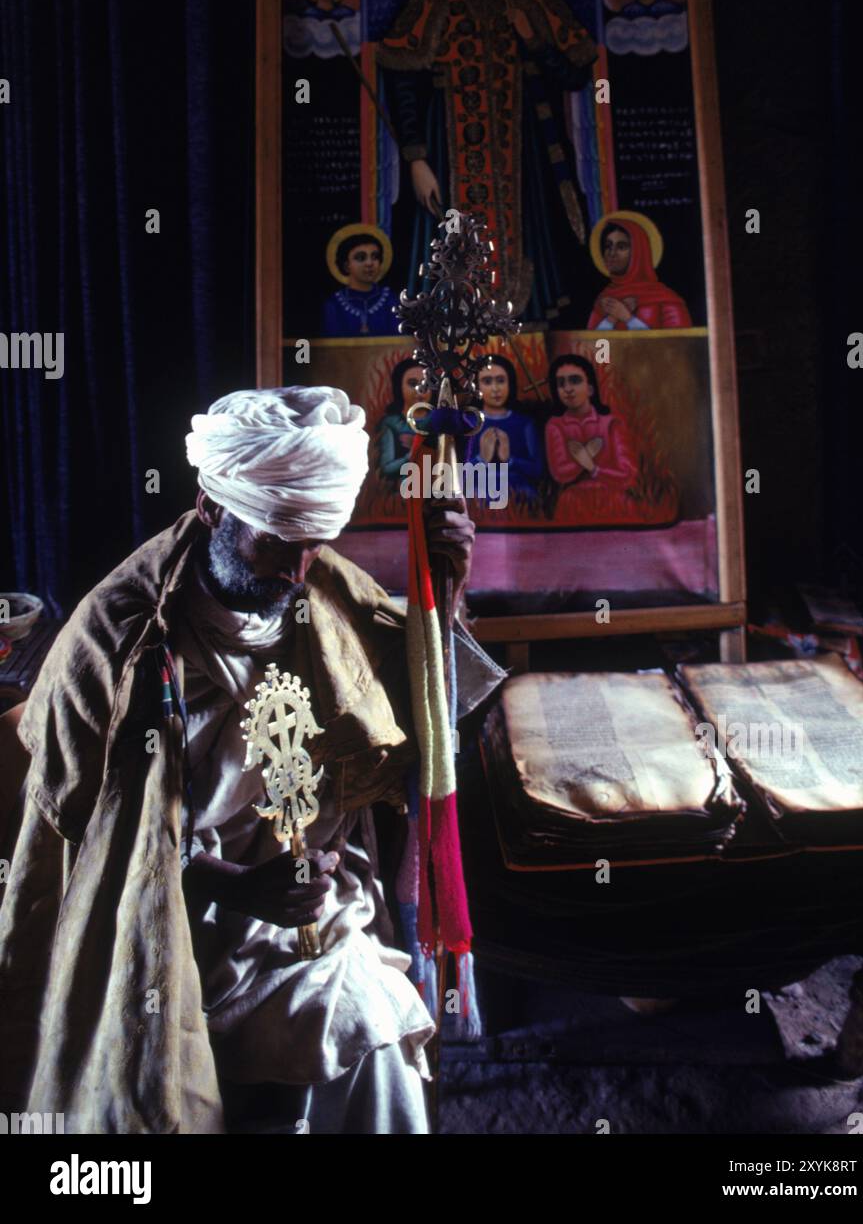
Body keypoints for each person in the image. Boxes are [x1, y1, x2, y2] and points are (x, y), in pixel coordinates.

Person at [0, 387, 503, 1134]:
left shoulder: (321, 586)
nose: (298, 572)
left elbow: (412, 708)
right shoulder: (114, 644)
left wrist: (447, 590)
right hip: (170, 925)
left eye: (312, 545)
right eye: (275, 545)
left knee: (375, 1033)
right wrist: (233, 889)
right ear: (212, 507)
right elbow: (79, 857)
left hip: (312, 916)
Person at [377, 0, 597, 322]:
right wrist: (416, 157)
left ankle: (523, 351)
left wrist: (533, 40)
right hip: (446, 143)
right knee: (445, 252)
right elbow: (402, 74)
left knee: (530, 264)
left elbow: (574, 71)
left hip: (522, 150)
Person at [544, 355, 637, 519]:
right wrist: (586, 456)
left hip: (614, 498)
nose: (568, 389)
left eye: (575, 380)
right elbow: (560, 473)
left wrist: (594, 469)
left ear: (590, 388)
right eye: (561, 384)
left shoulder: (611, 424)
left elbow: (628, 473)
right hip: (574, 501)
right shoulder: (555, 426)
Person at [587, 218, 692, 331]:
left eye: (621, 247)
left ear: (639, 253)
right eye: (608, 246)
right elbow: (593, 345)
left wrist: (628, 318)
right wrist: (612, 318)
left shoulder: (665, 299)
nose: (612, 253)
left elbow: (677, 344)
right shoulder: (604, 299)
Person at [464, 356, 543, 504]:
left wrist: (510, 460)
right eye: (487, 382)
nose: (495, 389)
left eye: (500, 380)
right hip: (478, 490)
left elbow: (537, 470)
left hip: (517, 489)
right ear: (476, 386)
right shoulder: (469, 422)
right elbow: (456, 473)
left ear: (510, 383)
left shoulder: (524, 423)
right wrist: (481, 459)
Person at [321, 230, 398, 337]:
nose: (369, 263)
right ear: (346, 265)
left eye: (375, 257)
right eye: (361, 258)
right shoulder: (334, 304)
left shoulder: (390, 300)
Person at [376, 358, 425, 482]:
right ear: (399, 386)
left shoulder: (441, 421)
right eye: (413, 384)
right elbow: (387, 468)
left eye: (426, 384)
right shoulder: (392, 423)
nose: (419, 390)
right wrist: (412, 454)